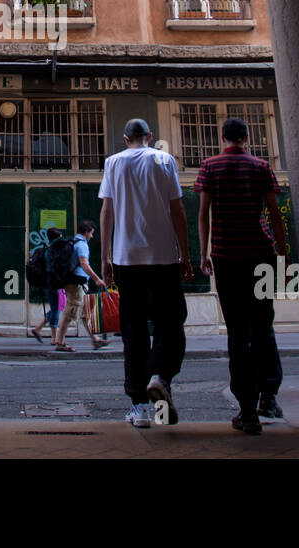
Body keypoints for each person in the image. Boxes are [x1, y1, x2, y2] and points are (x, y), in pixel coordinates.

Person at [194, 116, 287, 436]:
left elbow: (203, 212)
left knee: (237, 332)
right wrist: (284, 253)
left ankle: (247, 410)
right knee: (264, 326)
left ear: (223, 138)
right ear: (246, 138)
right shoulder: (261, 167)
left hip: (227, 257)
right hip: (260, 255)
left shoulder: (209, 166)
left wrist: (205, 251)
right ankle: (269, 397)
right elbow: (274, 212)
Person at [99, 119, 192, 429]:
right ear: (150, 137)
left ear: (126, 139)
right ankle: (160, 376)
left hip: (127, 259)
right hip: (163, 257)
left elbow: (107, 212)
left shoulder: (112, 163)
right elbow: (177, 210)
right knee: (171, 321)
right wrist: (185, 254)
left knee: (133, 329)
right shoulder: (164, 160)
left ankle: (139, 408)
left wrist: (105, 257)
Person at [54, 221, 108, 351]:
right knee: (69, 312)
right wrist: (97, 279)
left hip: (73, 281)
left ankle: (95, 340)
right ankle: (59, 342)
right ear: (86, 232)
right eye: (91, 233)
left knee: (84, 313)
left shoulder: (73, 242)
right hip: (76, 283)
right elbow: (84, 264)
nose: (92, 236)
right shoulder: (82, 245)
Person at [29, 227, 63, 344]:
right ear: (56, 238)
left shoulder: (48, 250)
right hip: (54, 283)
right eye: (60, 237)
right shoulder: (54, 251)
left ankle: (38, 329)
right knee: (56, 308)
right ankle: (54, 338)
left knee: (56, 307)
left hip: (47, 283)